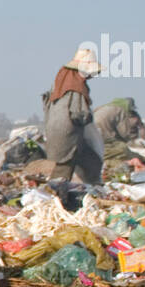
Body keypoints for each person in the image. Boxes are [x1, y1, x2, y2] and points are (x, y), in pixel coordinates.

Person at [43, 46, 104, 184]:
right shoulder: (76, 87)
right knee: (63, 170)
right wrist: (89, 120)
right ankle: (56, 197)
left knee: (90, 162)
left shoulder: (59, 85)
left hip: (56, 132)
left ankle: (92, 188)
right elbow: (79, 114)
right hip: (68, 135)